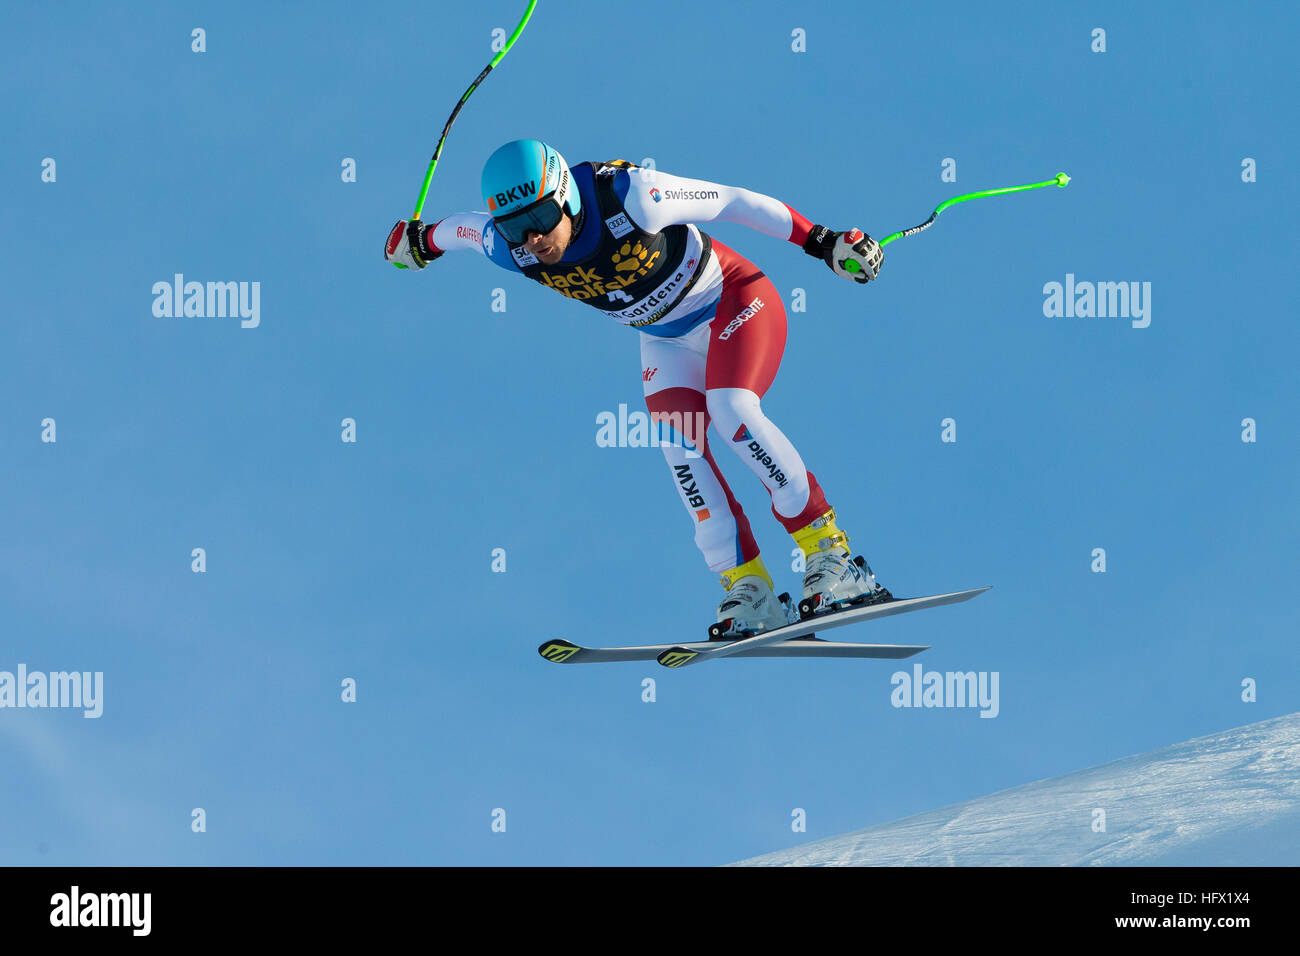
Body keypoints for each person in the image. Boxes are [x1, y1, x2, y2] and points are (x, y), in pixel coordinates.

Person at [385, 139, 891, 637]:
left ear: (565, 195)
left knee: (732, 409)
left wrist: (823, 241)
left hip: (732, 300)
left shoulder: (631, 197)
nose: (532, 238)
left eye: (539, 218)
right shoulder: (508, 247)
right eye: (516, 226)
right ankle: (749, 588)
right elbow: (461, 230)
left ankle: (830, 554)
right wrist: (419, 242)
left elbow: (733, 201)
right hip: (664, 337)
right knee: (680, 447)